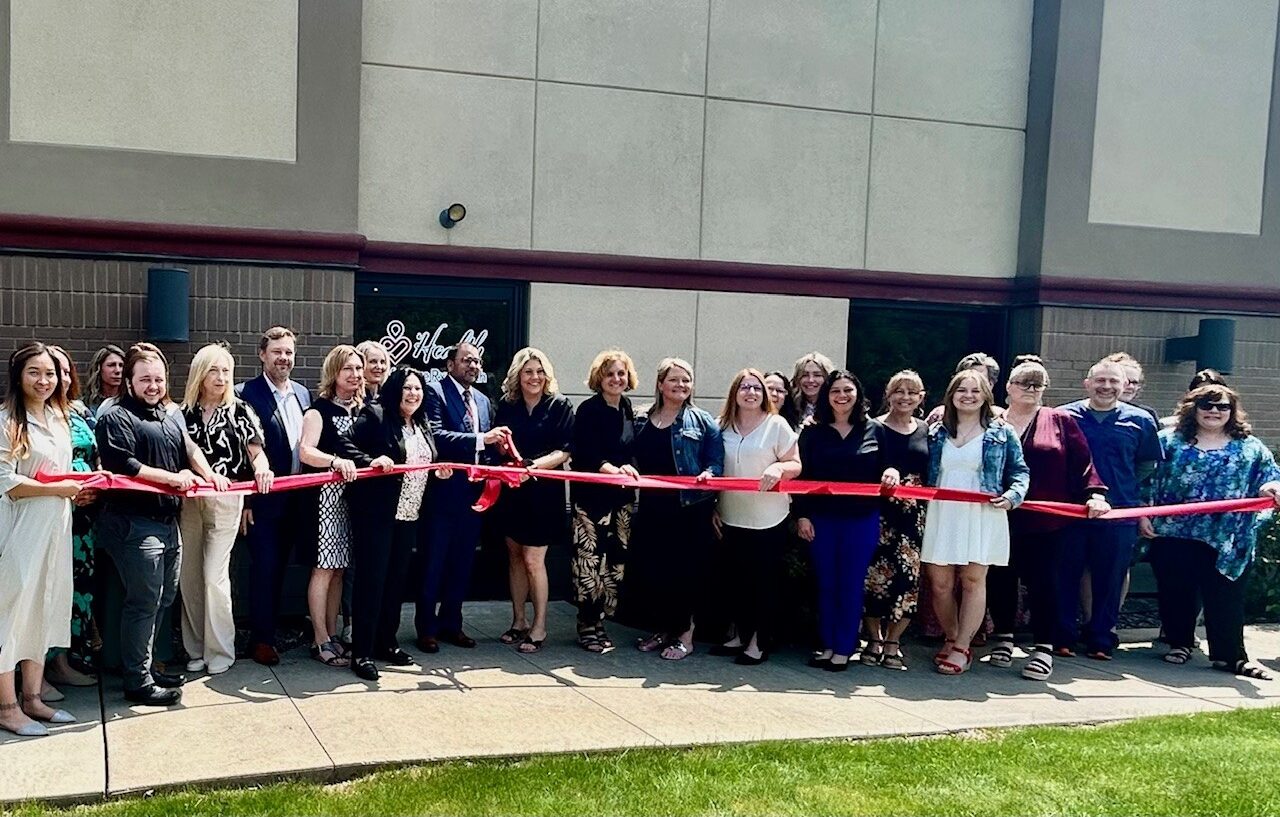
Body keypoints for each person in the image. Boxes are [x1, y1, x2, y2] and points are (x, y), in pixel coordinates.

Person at [95, 342, 229, 706]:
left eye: (158, 378)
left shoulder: (170, 415)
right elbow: (125, 466)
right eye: (145, 379)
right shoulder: (116, 417)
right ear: (129, 380)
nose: (153, 385)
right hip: (133, 524)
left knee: (163, 598)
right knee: (143, 601)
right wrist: (173, 479)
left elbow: (190, 449)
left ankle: (147, 666)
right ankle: (137, 681)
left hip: (168, 522)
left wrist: (209, 474)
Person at [1142, 385, 1280, 680]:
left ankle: (1231, 657)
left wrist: (1270, 488)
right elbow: (1147, 479)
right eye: (1207, 405)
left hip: (1228, 536)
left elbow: (1269, 476)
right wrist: (1143, 513)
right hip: (1175, 531)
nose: (1214, 411)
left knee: (1226, 594)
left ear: (1232, 412)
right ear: (1193, 407)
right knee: (1176, 590)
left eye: (1222, 407)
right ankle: (1179, 643)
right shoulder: (1168, 442)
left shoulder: (1250, 446)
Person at [991, 356, 1109, 680]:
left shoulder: (1060, 420)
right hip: (996, 515)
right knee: (999, 578)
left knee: (1045, 583)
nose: (1030, 389)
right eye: (1023, 383)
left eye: (1037, 384)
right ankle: (1003, 638)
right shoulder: (993, 421)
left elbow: (1084, 464)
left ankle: (1044, 646)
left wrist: (1095, 494)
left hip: (1046, 522)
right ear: (1008, 388)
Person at [922, 369, 1030, 675]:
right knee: (940, 584)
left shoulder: (1001, 433)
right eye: (961, 390)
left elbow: (1020, 472)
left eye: (975, 390)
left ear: (986, 396)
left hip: (982, 514)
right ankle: (952, 635)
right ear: (951, 395)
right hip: (942, 513)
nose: (968, 396)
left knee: (973, 581)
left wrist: (1013, 495)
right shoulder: (936, 431)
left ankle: (961, 647)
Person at [0, 343, 82, 736]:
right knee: (11, 615)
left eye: (50, 373)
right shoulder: (6, 420)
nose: (44, 381)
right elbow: (7, 483)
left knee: (45, 609)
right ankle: (7, 706)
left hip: (55, 531)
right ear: (18, 375)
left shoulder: (58, 418)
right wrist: (60, 490)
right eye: (34, 372)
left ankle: (33, 699)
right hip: (18, 533)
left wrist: (71, 489)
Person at [178, 344, 274, 676]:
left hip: (227, 498)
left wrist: (262, 468)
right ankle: (194, 647)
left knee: (213, 577)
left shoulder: (241, 410)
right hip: (189, 500)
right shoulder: (182, 413)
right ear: (199, 374)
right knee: (189, 574)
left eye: (226, 371)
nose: (220, 378)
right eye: (214, 370)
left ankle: (219, 650)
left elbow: (256, 452)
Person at [348, 367, 449, 681]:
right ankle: (361, 652)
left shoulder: (421, 423)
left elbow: (426, 460)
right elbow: (345, 444)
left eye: (418, 389)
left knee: (395, 583)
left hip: (410, 515)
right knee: (371, 583)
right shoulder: (376, 416)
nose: (413, 394)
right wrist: (372, 461)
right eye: (407, 388)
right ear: (395, 389)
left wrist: (437, 471)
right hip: (378, 515)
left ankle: (386, 643)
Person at [1057, 358, 1161, 660]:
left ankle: (1101, 638)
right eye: (1100, 380)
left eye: (1113, 381)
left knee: (1110, 578)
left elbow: (1147, 464)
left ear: (1124, 385)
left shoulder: (1141, 421)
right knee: (1065, 575)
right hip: (1071, 512)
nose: (1106, 387)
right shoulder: (1064, 416)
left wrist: (1124, 487)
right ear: (1086, 383)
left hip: (1118, 513)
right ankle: (1062, 636)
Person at [795, 370, 897, 672]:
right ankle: (827, 645)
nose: (842, 396)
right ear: (827, 396)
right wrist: (802, 514)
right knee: (826, 583)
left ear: (858, 394)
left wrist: (891, 471)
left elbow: (888, 463)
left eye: (848, 390)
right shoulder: (812, 432)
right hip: (822, 520)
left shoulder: (875, 429)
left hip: (861, 520)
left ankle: (844, 647)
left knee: (851, 584)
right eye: (835, 390)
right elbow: (803, 476)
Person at [628, 357, 724, 661]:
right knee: (656, 572)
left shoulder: (703, 420)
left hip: (690, 509)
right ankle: (664, 628)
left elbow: (716, 462)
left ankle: (685, 636)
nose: (681, 385)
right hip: (652, 508)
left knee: (686, 575)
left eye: (686, 380)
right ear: (660, 384)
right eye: (674, 379)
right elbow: (629, 455)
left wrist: (710, 475)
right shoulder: (641, 418)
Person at [418, 343, 510, 653]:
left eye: (477, 361)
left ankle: (451, 625)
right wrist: (482, 439)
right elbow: (436, 435)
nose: (473, 365)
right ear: (450, 364)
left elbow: (487, 450)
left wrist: (503, 461)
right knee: (434, 564)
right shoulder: (434, 392)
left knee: (462, 564)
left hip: (475, 498)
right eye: (466, 360)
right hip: (442, 497)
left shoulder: (484, 401)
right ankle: (426, 629)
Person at [236, 326, 312, 666]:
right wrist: (246, 501)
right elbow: (239, 452)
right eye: (277, 352)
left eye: (289, 352)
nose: (284, 358)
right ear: (262, 355)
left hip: (301, 497)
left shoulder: (302, 394)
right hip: (264, 501)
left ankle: (280, 628)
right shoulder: (244, 394)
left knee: (287, 567)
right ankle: (262, 639)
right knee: (265, 568)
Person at [713, 368, 800, 665]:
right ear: (734, 393)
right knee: (736, 581)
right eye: (744, 387)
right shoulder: (721, 425)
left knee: (763, 582)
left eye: (757, 388)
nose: (751, 393)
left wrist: (778, 469)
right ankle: (738, 633)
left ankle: (758, 641)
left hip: (768, 518)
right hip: (731, 515)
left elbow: (795, 464)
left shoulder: (777, 425)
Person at [494, 348, 574, 654]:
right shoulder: (507, 405)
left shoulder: (560, 405)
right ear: (518, 375)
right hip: (513, 490)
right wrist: (502, 451)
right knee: (514, 554)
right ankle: (519, 621)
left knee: (532, 559)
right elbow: (500, 446)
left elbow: (564, 450)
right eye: (528, 372)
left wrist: (533, 468)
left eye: (539, 371)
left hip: (544, 491)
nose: (535, 377)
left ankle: (540, 626)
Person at [569, 350, 640, 653]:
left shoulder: (627, 407)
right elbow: (584, 452)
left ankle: (600, 621)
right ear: (599, 377)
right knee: (589, 564)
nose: (616, 379)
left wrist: (630, 469)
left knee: (614, 564)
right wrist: (611, 470)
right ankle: (585, 623)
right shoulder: (588, 409)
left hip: (621, 500)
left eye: (621, 373)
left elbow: (631, 451)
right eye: (610, 373)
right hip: (591, 501)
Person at [298, 345, 364, 668]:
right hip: (325, 499)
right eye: (347, 369)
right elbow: (306, 452)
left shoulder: (364, 410)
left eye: (358, 369)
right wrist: (336, 462)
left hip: (354, 501)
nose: (354, 375)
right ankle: (319, 638)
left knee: (340, 570)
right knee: (323, 569)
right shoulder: (318, 411)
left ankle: (334, 634)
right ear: (334, 373)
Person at [862, 370, 929, 671]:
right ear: (888, 395)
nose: (905, 397)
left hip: (912, 518)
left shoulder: (928, 429)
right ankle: (873, 638)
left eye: (912, 392)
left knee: (907, 580)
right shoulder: (872, 427)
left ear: (921, 398)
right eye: (898, 391)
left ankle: (893, 642)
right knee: (873, 578)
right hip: (877, 513)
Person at [43, 345, 99, 689]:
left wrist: (97, 483)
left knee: (75, 590)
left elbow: (94, 457)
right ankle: (37, 666)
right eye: (51, 371)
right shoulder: (27, 417)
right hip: (48, 515)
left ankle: (63, 660)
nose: (60, 379)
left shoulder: (77, 414)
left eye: (64, 371)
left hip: (82, 521)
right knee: (46, 590)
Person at [924, 352, 1003, 425]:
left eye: (979, 379)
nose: (969, 395)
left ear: (991, 384)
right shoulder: (938, 416)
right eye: (965, 378)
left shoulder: (1002, 419)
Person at [783, 352, 835, 429]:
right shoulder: (788, 406)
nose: (811, 380)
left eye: (817, 375)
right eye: (805, 375)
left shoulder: (836, 408)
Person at [84, 344, 125, 420]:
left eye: (121, 365)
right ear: (98, 369)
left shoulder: (131, 401)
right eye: (111, 365)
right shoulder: (85, 404)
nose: (118, 370)